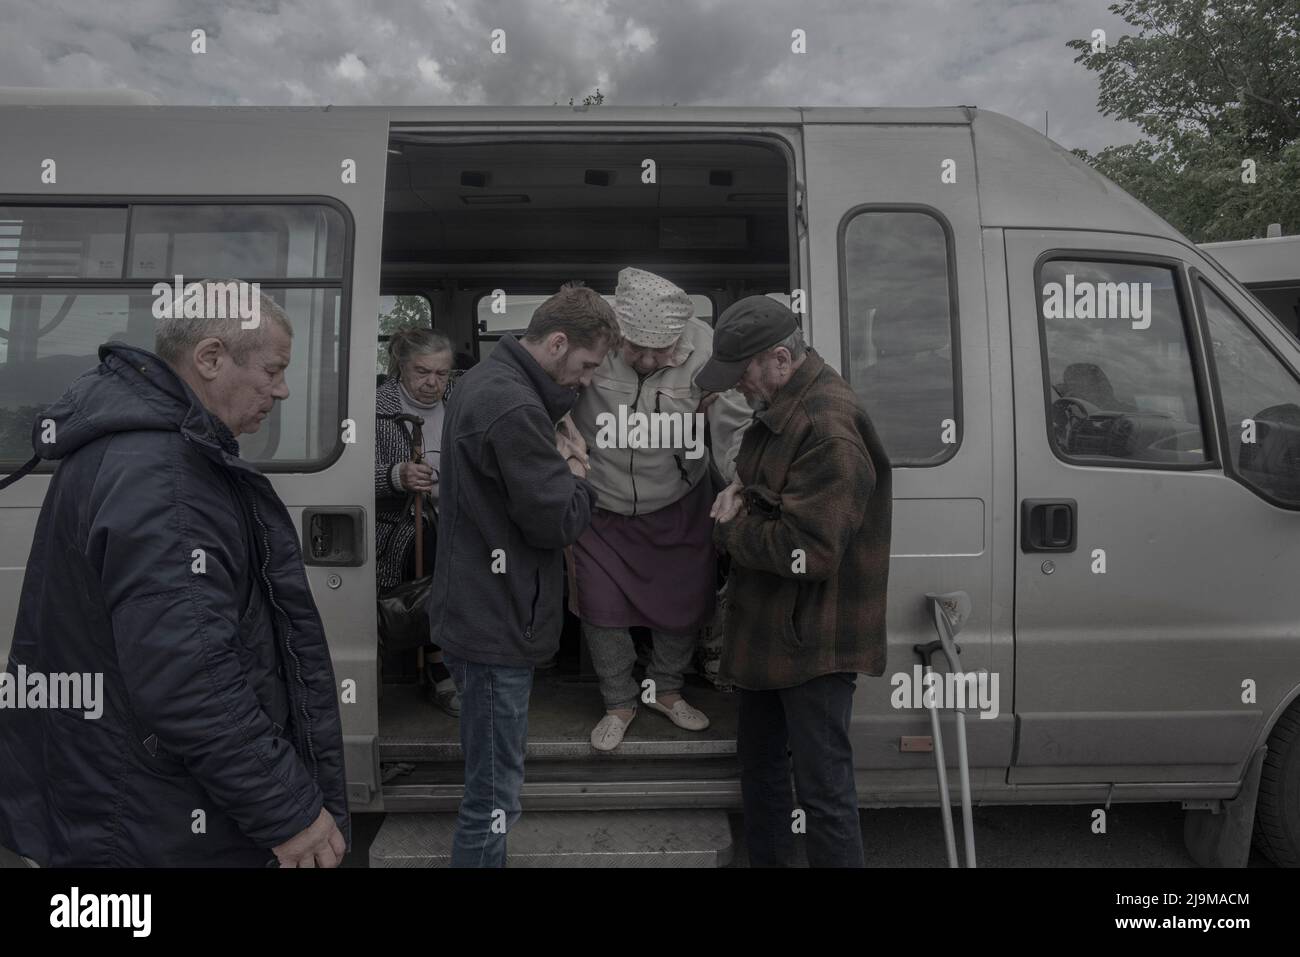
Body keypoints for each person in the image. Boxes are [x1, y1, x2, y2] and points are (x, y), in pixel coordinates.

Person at [0, 282, 349, 867]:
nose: (282, 390)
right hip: (155, 820)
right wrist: (287, 812)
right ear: (211, 358)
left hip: (116, 799)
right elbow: (191, 680)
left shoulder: (127, 448)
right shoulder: (168, 481)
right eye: (274, 369)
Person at [694, 295, 892, 868]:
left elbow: (811, 550)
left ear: (780, 358)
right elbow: (778, 493)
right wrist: (744, 489)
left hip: (814, 642)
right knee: (760, 771)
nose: (736, 389)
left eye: (742, 374)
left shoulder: (827, 426)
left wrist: (733, 528)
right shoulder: (785, 401)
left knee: (823, 792)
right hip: (773, 633)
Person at [429, 284, 619, 867]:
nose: (587, 380)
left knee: (491, 786)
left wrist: (553, 433)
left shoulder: (488, 383)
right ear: (558, 343)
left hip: (478, 608)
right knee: (493, 798)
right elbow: (558, 520)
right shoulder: (513, 408)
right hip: (496, 623)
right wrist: (578, 470)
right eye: (586, 365)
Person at [568, 269, 751, 751]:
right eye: (635, 348)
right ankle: (619, 701)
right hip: (601, 500)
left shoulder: (708, 350)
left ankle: (666, 691)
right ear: (616, 331)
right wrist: (563, 452)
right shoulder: (592, 337)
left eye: (661, 349)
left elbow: (734, 428)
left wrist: (741, 482)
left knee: (682, 601)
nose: (648, 360)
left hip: (677, 496)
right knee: (600, 606)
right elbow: (551, 400)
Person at [375, 328, 460, 715]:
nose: (432, 383)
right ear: (401, 367)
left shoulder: (462, 403)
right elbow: (341, 473)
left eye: (442, 374)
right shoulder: (374, 408)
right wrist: (397, 476)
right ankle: (436, 664)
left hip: (454, 518)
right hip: (396, 526)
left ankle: (450, 662)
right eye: (422, 372)